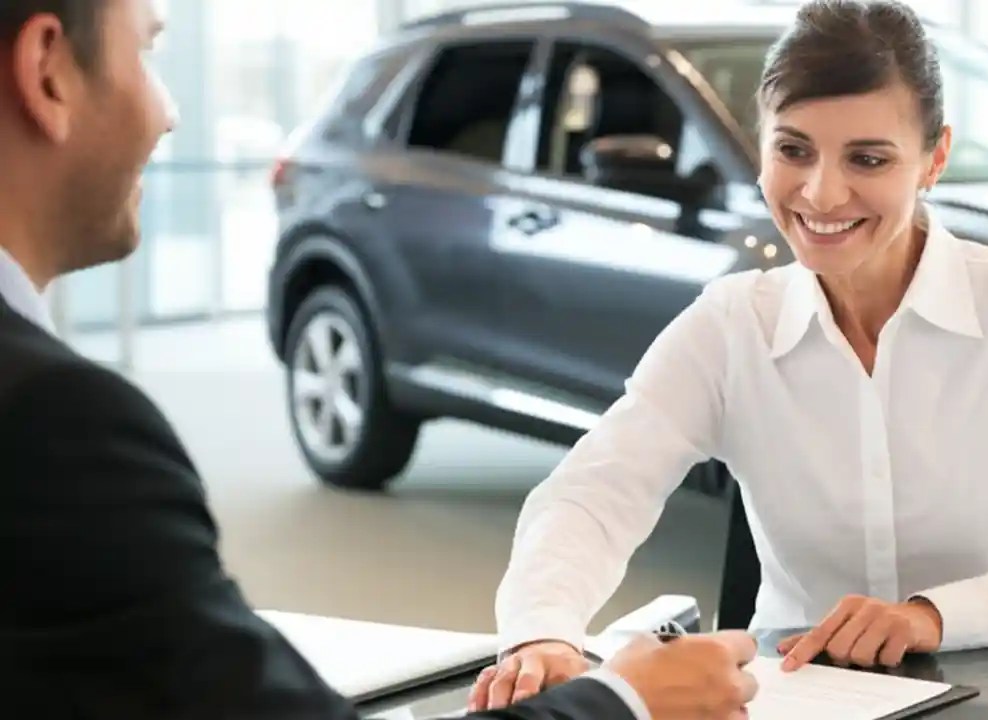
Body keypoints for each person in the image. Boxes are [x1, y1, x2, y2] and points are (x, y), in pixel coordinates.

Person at [0, 1, 759, 719]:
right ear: (47, 71)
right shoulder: (56, 424)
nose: (170, 114)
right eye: (147, 49)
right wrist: (624, 702)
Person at [474, 0, 988, 709]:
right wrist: (543, 634)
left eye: (867, 158)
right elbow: (591, 497)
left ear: (934, 158)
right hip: (788, 701)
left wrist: (931, 616)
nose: (821, 192)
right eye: (793, 150)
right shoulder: (729, 325)